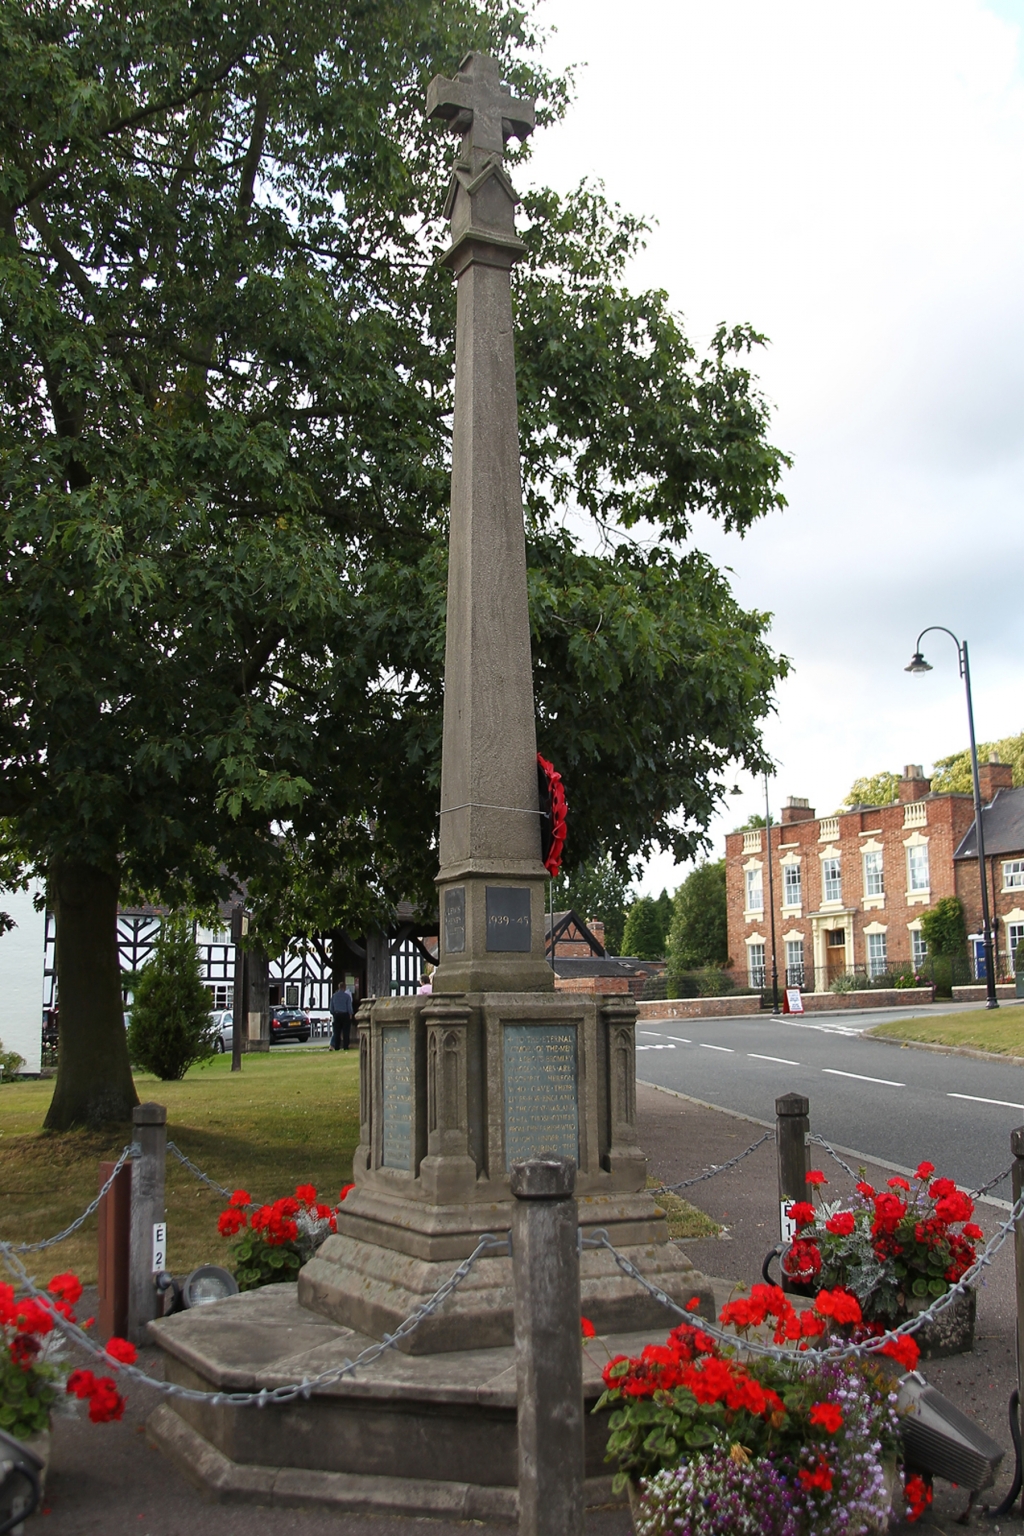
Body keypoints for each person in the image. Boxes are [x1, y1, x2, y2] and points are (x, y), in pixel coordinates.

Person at [329, 981, 354, 1051]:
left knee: (337, 1032)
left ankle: (337, 1046)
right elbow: (349, 1007)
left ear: (339, 987)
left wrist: (334, 1013)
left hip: (337, 1014)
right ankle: (345, 1046)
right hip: (345, 1015)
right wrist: (350, 1014)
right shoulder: (347, 996)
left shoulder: (334, 996)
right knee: (346, 1032)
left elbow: (331, 1008)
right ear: (344, 988)